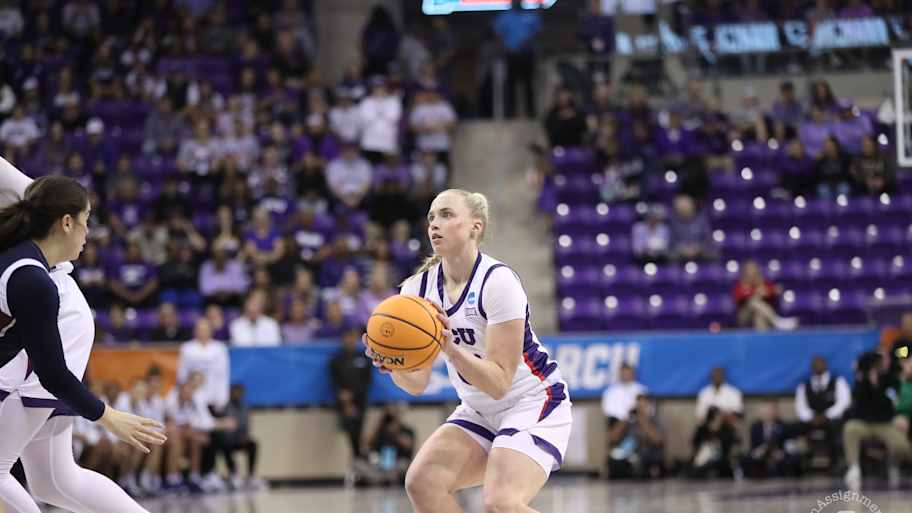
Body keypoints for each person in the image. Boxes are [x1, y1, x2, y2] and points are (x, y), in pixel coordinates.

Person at [366, 189, 571, 513]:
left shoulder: (497, 282)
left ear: (476, 227)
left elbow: (500, 382)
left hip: (533, 400)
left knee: (501, 503)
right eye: (432, 216)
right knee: (423, 482)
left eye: (447, 215)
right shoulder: (415, 290)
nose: (435, 224)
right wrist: (393, 363)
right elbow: (417, 385)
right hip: (479, 409)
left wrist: (451, 348)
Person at [0, 160, 166, 513]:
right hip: (46, 312)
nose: (89, 232)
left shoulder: (37, 204)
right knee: (54, 480)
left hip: (58, 317)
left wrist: (106, 415)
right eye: (87, 221)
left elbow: (53, 373)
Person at [843, 351, 912, 490]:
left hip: (885, 423)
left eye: (884, 361)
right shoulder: (862, 381)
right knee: (850, 428)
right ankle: (853, 467)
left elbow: (890, 403)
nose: (881, 364)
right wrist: (868, 381)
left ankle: (893, 463)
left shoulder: (892, 381)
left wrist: (877, 386)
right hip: (865, 423)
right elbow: (859, 404)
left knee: (902, 447)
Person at [794, 355, 851, 470]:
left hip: (832, 420)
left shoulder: (838, 381)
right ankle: (802, 463)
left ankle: (834, 463)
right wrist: (811, 417)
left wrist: (826, 416)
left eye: (820, 363)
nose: (817, 366)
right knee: (795, 428)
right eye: (815, 364)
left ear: (826, 365)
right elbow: (800, 407)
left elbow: (844, 402)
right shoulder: (804, 385)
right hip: (811, 421)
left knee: (836, 428)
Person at [330, 328, 373, 465]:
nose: (350, 341)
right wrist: (344, 396)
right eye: (347, 338)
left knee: (360, 429)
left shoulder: (363, 358)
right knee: (350, 428)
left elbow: (367, 380)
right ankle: (356, 458)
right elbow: (334, 381)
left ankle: (359, 458)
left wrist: (354, 394)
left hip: (360, 400)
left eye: (352, 338)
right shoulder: (336, 360)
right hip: (344, 401)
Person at [732, 261, 798, 331]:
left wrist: (767, 291)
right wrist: (756, 293)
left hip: (761, 315)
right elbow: (739, 297)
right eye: (749, 270)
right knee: (753, 302)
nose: (751, 272)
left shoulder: (763, 283)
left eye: (753, 270)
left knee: (759, 317)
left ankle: (762, 339)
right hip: (744, 317)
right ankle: (776, 321)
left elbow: (775, 289)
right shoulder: (739, 285)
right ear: (744, 272)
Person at [741, 401, 800, 479]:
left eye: (770, 411)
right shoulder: (755, 427)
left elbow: (790, 445)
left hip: (779, 453)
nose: (768, 414)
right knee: (745, 458)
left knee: (794, 459)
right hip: (761, 453)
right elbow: (753, 446)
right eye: (765, 412)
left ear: (776, 412)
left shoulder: (785, 426)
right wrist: (758, 451)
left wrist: (781, 453)